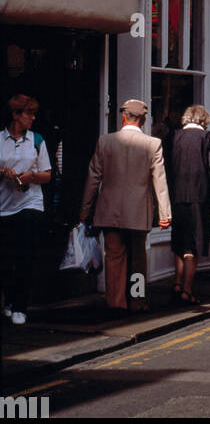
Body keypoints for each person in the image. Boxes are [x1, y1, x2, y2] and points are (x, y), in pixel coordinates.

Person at [79, 99, 171, 314]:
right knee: (138, 259)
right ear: (144, 119)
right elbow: (160, 180)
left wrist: (84, 211)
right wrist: (165, 213)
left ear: (123, 117)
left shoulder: (105, 141)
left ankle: (115, 302)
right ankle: (137, 302)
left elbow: (93, 178)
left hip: (109, 210)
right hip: (139, 212)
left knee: (113, 257)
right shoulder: (153, 144)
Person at [166, 106, 210, 305]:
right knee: (194, 244)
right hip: (200, 195)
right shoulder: (209, 138)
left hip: (176, 195)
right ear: (204, 121)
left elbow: (167, 165)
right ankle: (187, 291)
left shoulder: (173, 136)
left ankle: (177, 284)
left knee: (180, 241)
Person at [1, 95, 52, 325]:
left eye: (33, 114)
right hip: (4, 205)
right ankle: (10, 300)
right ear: (15, 115)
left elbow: (48, 174)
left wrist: (31, 176)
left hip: (30, 203)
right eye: (28, 114)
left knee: (25, 257)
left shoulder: (37, 140)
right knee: (6, 258)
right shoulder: (0, 139)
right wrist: (4, 172)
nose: (33, 118)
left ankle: (21, 306)